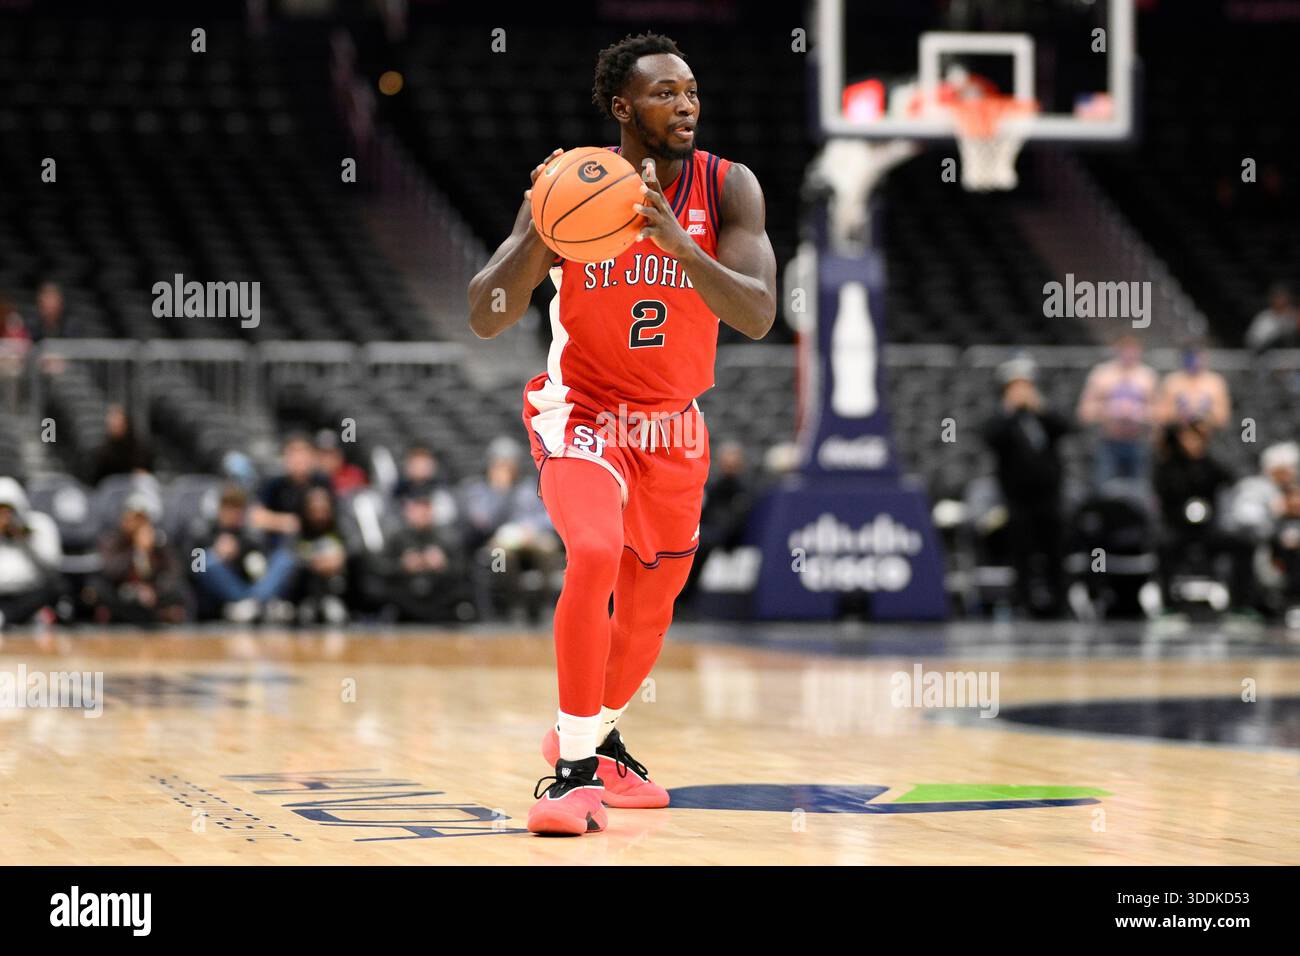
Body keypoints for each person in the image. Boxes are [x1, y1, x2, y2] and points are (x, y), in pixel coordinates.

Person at [467, 32, 776, 834]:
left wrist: (679, 244)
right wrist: (540, 232)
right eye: (666, 93)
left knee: (651, 608)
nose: (686, 105)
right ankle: (570, 777)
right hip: (585, 412)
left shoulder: (729, 187)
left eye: (692, 91)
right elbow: (485, 314)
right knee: (596, 552)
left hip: (673, 426)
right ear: (622, 107)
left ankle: (597, 740)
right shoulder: (570, 183)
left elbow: (758, 314)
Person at [981, 359, 1072, 617]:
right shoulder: (1002, 419)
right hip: (1017, 497)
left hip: (1049, 496)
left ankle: (1059, 604)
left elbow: (1065, 427)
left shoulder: (1042, 416)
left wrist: (1039, 409)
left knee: (1055, 552)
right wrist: (1010, 412)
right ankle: (1022, 604)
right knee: (1021, 553)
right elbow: (991, 439)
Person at [1151, 421, 1238, 607]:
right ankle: (1168, 605)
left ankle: (1241, 604)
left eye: (1197, 439)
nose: (1193, 443)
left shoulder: (1211, 465)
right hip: (1177, 528)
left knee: (1243, 544)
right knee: (1162, 546)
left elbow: (1231, 477)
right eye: (1188, 438)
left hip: (1208, 529)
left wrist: (1208, 454)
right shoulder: (1167, 467)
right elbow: (1162, 497)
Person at [191, 485, 298, 623]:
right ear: (220, 510)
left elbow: (264, 567)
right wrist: (216, 552)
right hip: (222, 596)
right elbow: (193, 568)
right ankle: (259, 604)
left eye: (238, 510)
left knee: (284, 559)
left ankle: (252, 604)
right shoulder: (203, 532)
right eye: (229, 509)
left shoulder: (250, 536)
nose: (234, 515)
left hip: (249, 587)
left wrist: (240, 554)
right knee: (207, 560)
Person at [367, 481, 472, 622]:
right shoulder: (396, 537)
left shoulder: (448, 536)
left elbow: (463, 569)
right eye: (416, 508)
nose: (421, 513)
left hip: (439, 599)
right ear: (408, 511)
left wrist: (443, 565)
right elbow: (379, 568)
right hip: (404, 599)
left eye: (425, 508)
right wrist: (402, 565)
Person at [90, 494, 189, 625]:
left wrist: (156, 590)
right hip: (124, 591)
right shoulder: (113, 540)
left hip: (154, 592)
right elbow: (111, 571)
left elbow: (174, 570)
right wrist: (136, 551)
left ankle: (157, 615)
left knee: (181, 589)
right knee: (99, 588)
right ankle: (155, 615)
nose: (135, 524)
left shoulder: (159, 541)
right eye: (132, 518)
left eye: (140, 519)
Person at [1077, 334, 1159, 488]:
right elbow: (1084, 411)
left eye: (1133, 351)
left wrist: (1138, 411)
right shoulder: (1102, 374)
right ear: (1117, 351)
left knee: (1138, 491)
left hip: (1137, 442)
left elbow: (1160, 414)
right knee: (1104, 489)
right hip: (1109, 442)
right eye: (1125, 351)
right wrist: (1109, 409)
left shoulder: (1147, 376)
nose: (1129, 356)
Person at [0, 477, 63, 629]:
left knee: (58, 587)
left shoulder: (40, 524)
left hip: (30, 593)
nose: (5, 517)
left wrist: (24, 536)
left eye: (9, 511)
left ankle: (9, 616)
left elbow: (53, 565)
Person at [251, 434, 332, 549]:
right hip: (281, 545)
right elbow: (256, 517)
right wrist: (285, 522)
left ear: (312, 457)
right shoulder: (274, 483)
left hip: (317, 542)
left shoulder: (321, 481)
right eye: (293, 454)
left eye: (303, 453)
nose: (298, 459)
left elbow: (332, 516)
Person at [290, 485, 349, 625]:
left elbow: (353, 548)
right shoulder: (299, 533)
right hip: (306, 586)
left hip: (336, 583)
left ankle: (335, 603)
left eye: (323, 509)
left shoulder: (339, 530)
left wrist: (340, 558)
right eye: (315, 509)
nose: (319, 514)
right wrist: (313, 562)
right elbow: (291, 554)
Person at [1154, 344, 1231, 435]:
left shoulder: (1215, 382)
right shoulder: (1172, 381)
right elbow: (1160, 415)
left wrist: (1206, 414)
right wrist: (1179, 414)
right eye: (1191, 358)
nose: (1195, 362)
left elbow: (1223, 417)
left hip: (1209, 435)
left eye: (1198, 358)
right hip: (1178, 433)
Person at [89, 404, 155, 486]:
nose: (114, 423)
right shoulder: (103, 453)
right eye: (111, 421)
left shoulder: (140, 450)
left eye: (117, 420)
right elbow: (98, 484)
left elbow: (148, 475)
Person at [1245, 284, 1298, 351]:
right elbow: (1251, 340)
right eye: (1278, 298)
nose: (1281, 301)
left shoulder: (1292, 315)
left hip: (1288, 355)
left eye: (1283, 298)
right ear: (1272, 299)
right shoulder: (1264, 317)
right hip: (1267, 355)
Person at [315, 429, 368, 496]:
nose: (328, 460)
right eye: (324, 454)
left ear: (340, 455)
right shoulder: (311, 478)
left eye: (332, 454)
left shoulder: (354, 474)